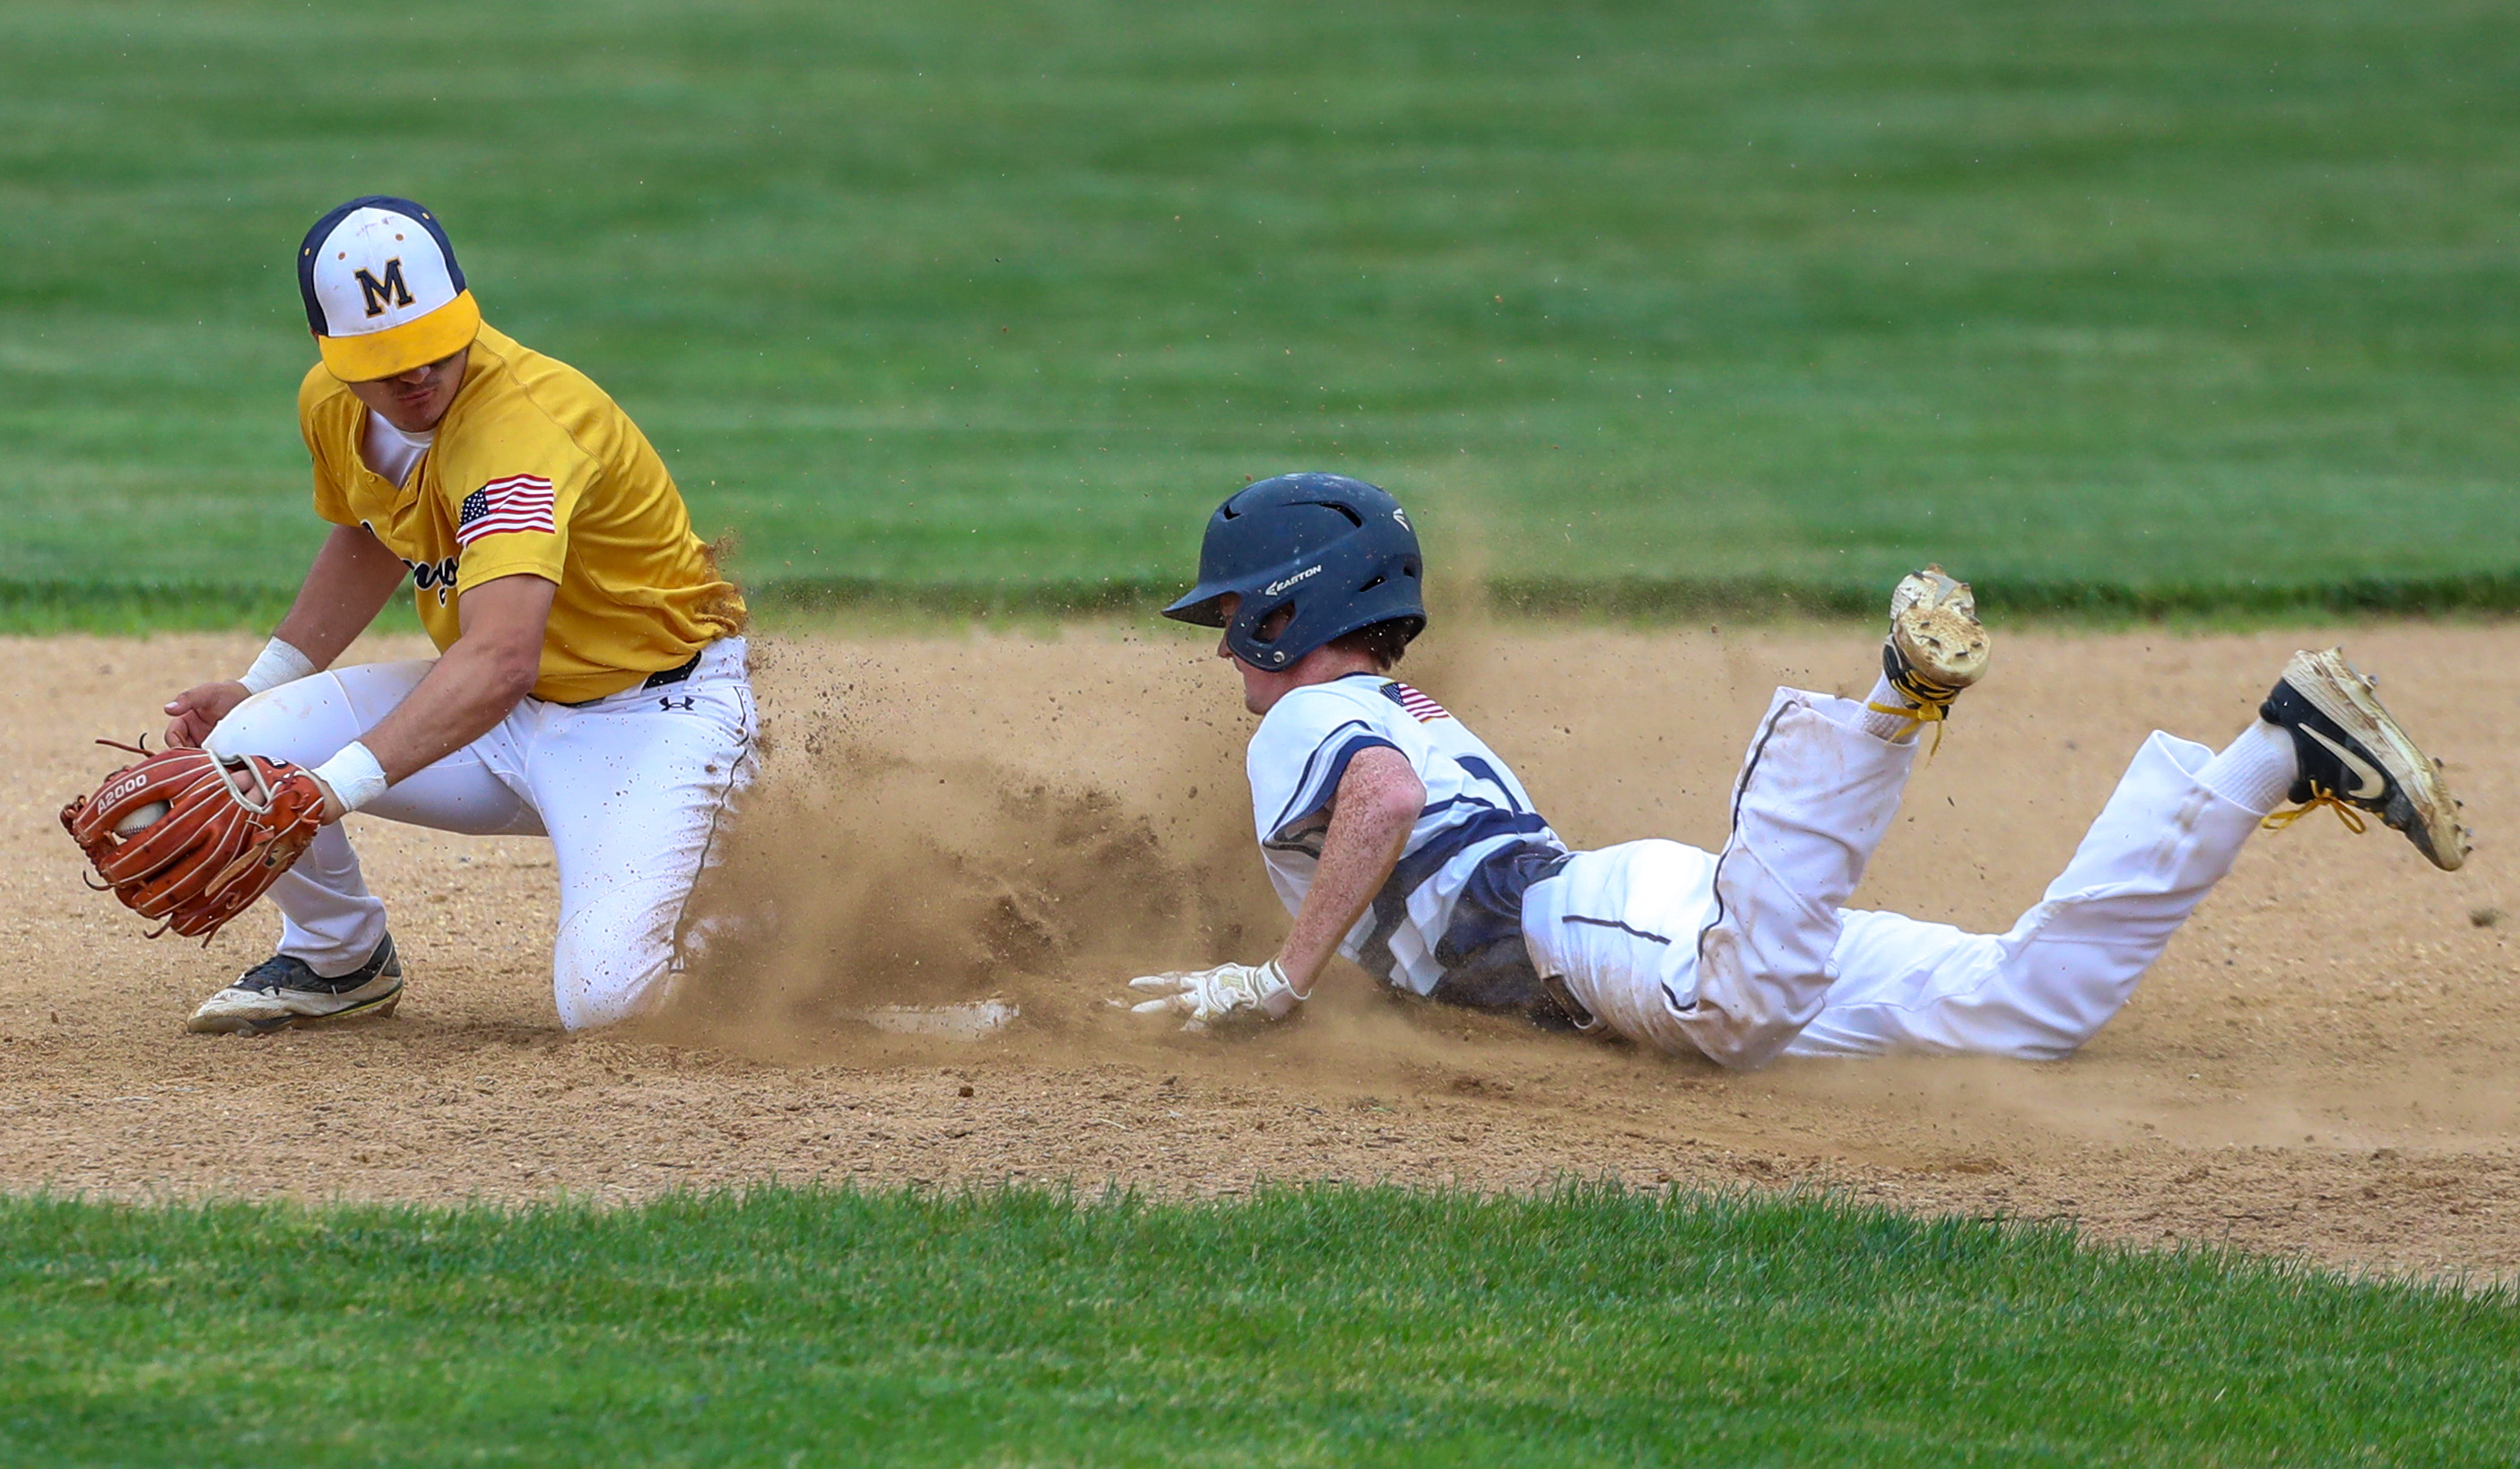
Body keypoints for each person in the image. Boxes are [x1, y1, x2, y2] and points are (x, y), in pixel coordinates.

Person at [1125, 473, 2467, 1065]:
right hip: (1643, 912)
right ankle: (2274, 746)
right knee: (2028, 1009)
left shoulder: (1305, 720)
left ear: (1281, 611)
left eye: (1230, 620)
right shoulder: (1403, 701)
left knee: (1740, 1006)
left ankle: (1889, 701)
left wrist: (1280, 978)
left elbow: (1384, 805)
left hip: (1586, 927)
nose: (1225, 653)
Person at [161, 196, 753, 1034]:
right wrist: (261, 685)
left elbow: (501, 658)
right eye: (387, 359)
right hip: (507, 719)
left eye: (436, 348)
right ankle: (339, 961)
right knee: (245, 748)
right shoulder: (333, 408)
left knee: (610, 1003)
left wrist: (333, 787)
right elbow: (374, 534)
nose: (417, 375)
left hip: (650, 718)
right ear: (332, 355)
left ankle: (807, 936)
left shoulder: (521, 429)